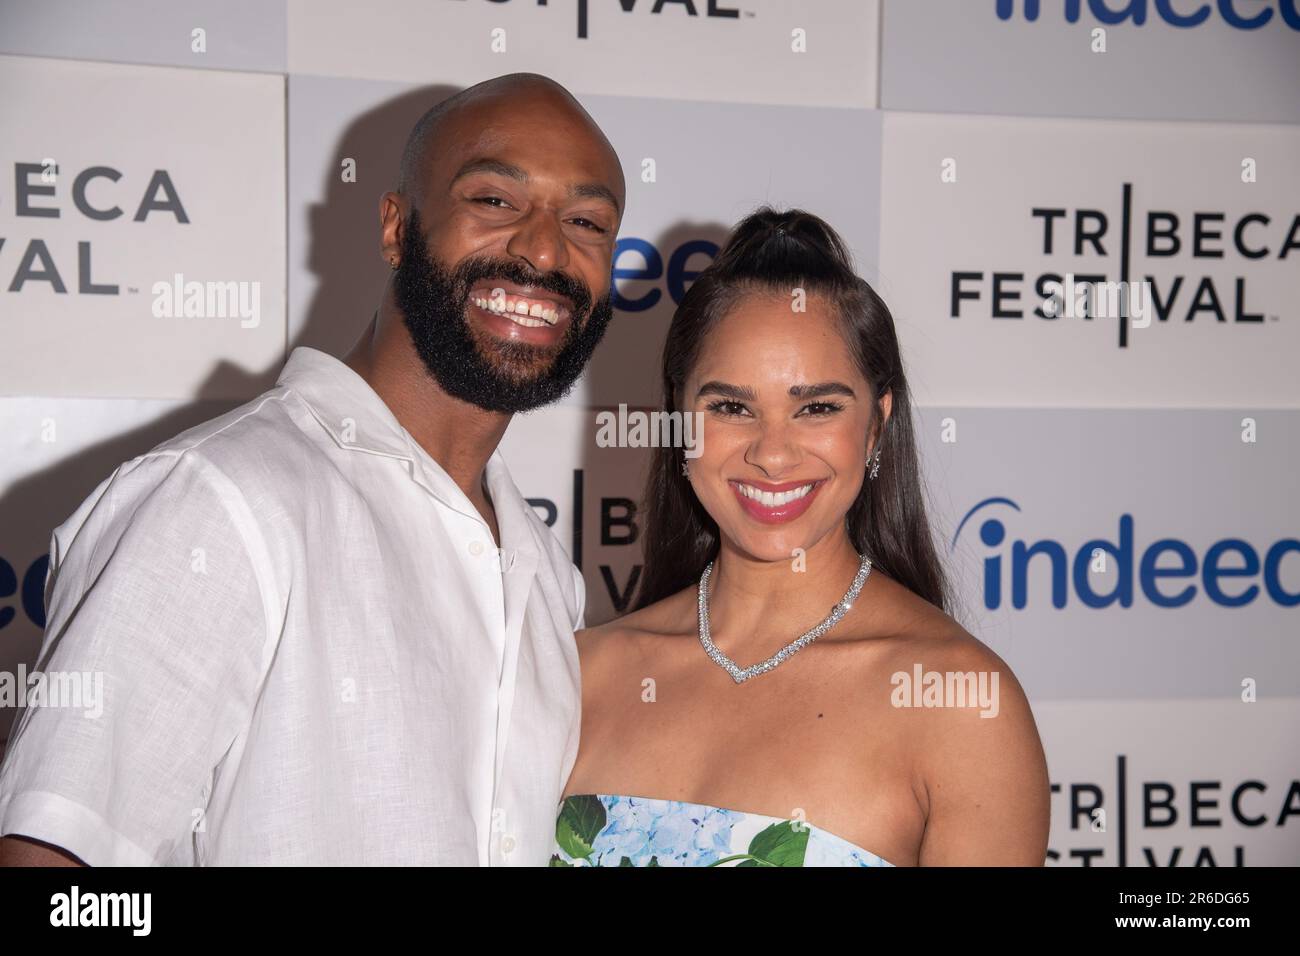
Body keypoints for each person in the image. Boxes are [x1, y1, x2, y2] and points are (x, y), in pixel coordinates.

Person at [0, 72, 625, 866]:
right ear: (397, 227)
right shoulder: (221, 500)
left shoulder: (544, 572)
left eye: (587, 220)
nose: (543, 248)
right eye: (495, 202)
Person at [552, 208, 1050, 867]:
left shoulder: (959, 705)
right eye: (731, 406)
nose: (772, 453)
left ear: (876, 425)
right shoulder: (584, 675)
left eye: (817, 407)